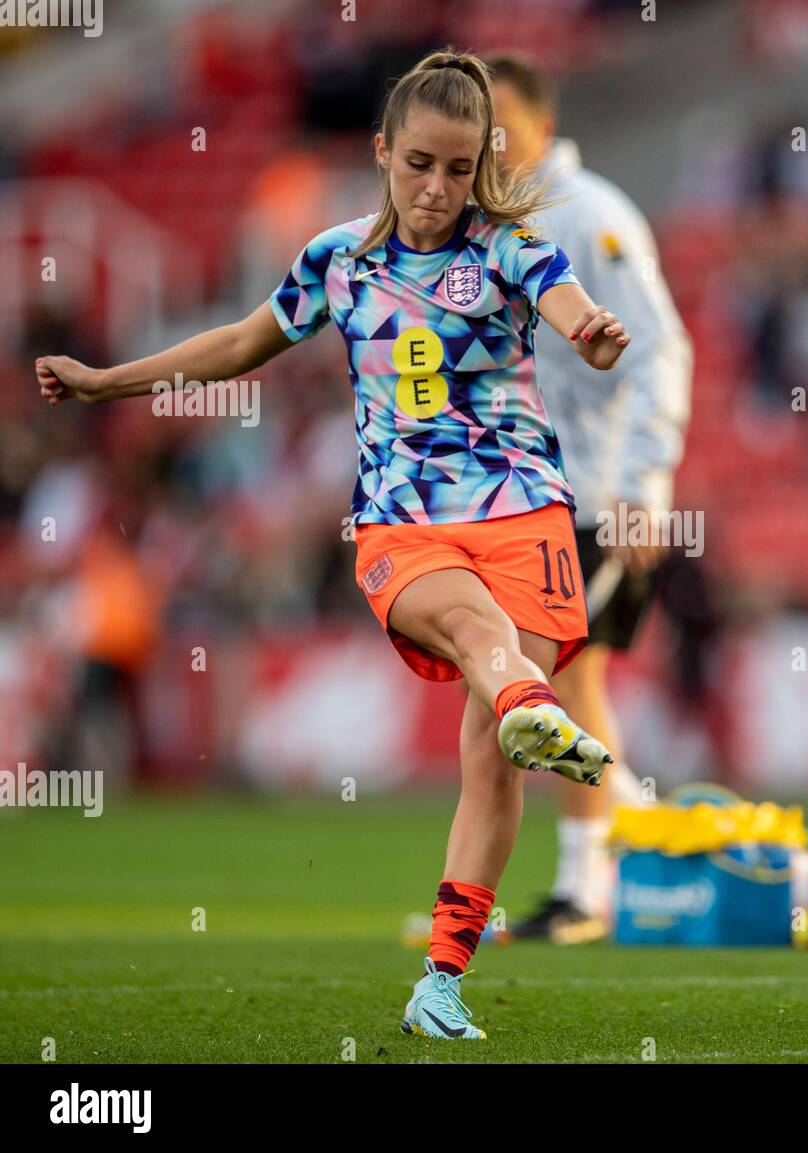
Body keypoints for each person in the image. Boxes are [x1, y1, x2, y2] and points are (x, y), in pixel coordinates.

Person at [35, 48, 632, 1042]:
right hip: (403, 522)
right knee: (485, 647)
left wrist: (591, 333)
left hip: (523, 514)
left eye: (457, 168)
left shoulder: (509, 249)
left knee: (491, 760)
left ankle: (441, 980)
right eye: (419, 164)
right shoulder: (337, 261)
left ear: (481, 165)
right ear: (382, 152)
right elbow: (239, 343)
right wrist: (108, 381)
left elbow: (572, 308)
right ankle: (527, 697)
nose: (436, 187)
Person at [486, 53, 693, 943]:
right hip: (521, 497)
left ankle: (583, 888)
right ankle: (654, 831)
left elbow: (660, 349)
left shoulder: (593, 217)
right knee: (531, 682)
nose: (485, 143)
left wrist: (645, 481)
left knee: (562, 679)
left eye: (498, 125)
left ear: (541, 126)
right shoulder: (487, 224)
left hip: (593, 496)